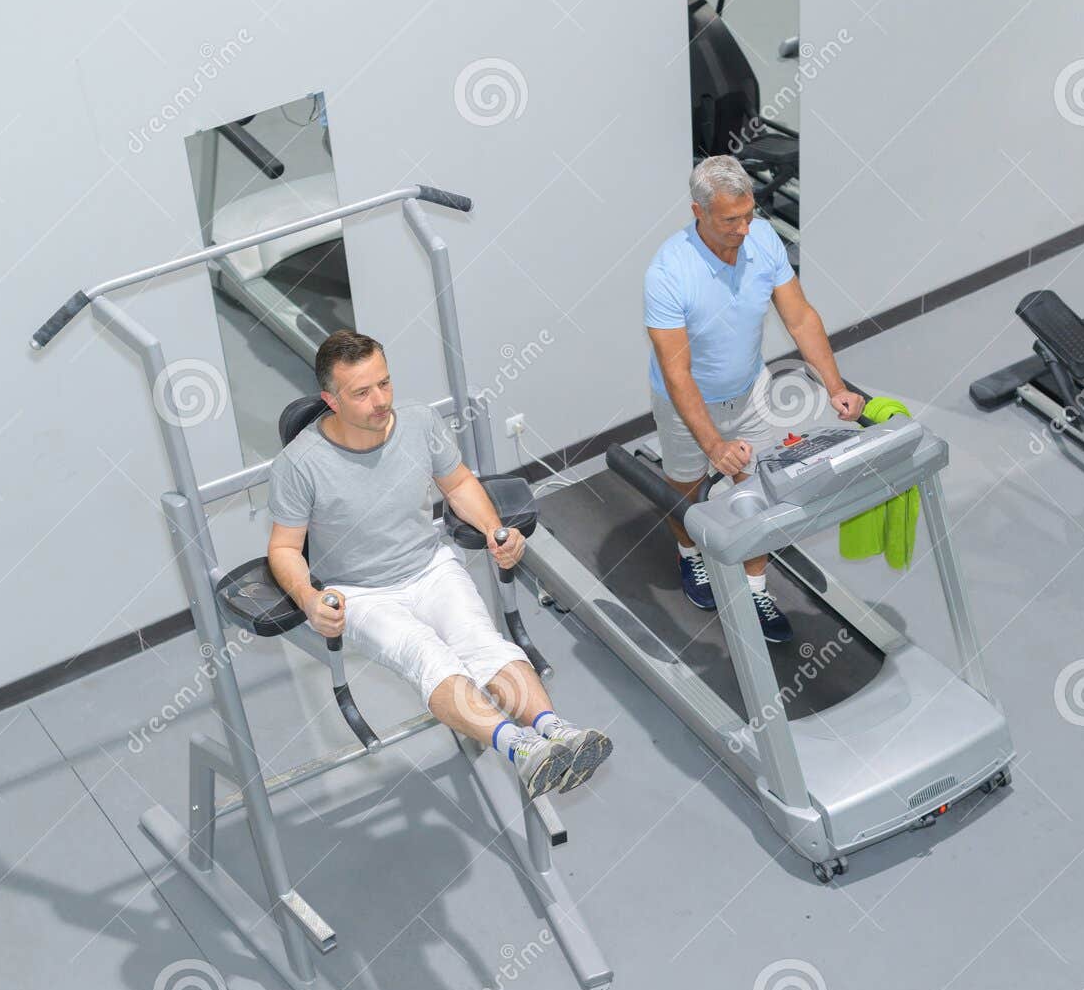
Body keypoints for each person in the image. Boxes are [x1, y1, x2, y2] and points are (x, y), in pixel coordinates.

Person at [266, 330, 611, 799]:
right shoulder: (299, 463)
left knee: (482, 643)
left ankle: (557, 731)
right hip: (360, 594)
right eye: (362, 392)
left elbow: (459, 484)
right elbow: (285, 549)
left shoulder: (419, 422)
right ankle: (521, 751)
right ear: (329, 398)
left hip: (430, 566)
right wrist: (308, 599)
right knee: (428, 654)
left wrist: (493, 530)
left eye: (385, 384)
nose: (380, 401)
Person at [644, 155, 864, 641]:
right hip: (687, 400)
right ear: (698, 212)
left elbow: (801, 318)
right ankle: (689, 556)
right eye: (730, 220)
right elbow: (677, 373)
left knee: (760, 489)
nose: (744, 228)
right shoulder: (668, 272)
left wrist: (836, 386)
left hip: (750, 391)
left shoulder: (762, 239)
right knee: (687, 487)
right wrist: (713, 446)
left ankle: (754, 588)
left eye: (748, 214)